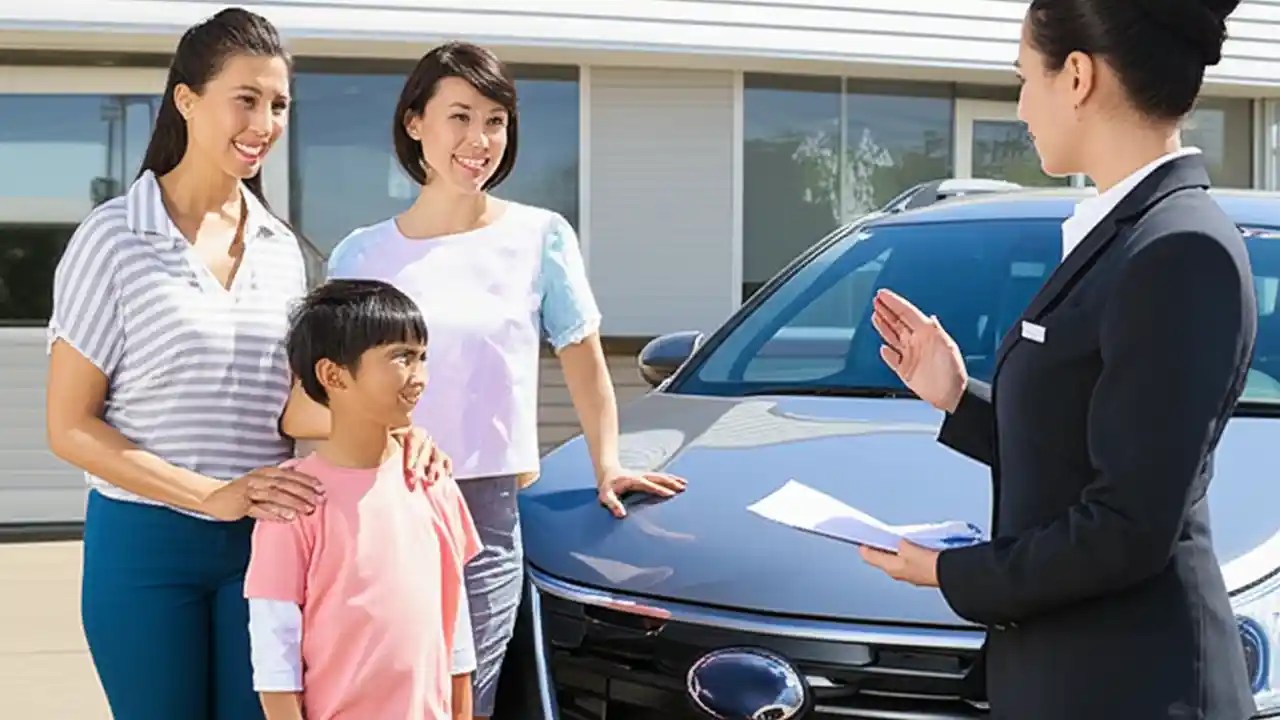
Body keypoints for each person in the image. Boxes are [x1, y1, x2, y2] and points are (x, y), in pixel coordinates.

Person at [858, 1, 1258, 718]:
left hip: (1134, 687)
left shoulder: (1179, 249)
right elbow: (1087, 446)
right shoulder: (1129, 230)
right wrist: (957, 396)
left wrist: (952, 573)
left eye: (1023, 78)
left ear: (1076, 76)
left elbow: (1129, 525)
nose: (1019, 105)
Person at [43, 8, 445, 718]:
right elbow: (70, 426)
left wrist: (399, 431)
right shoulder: (113, 238)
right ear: (187, 100)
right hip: (145, 547)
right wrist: (207, 494)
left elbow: (294, 404)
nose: (266, 121)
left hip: (267, 539)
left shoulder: (280, 248)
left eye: (280, 104)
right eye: (247, 99)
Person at [281, 41, 687, 718]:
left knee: (467, 701)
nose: (480, 139)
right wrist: (396, 435)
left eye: (495, 120)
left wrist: (608, 462)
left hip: (486, 513)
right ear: (415, 123)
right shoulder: (360, 253)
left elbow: (583, 362)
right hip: (377, 507)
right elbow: (305, 409)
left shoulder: (540, 237)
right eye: (460, 117)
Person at [244, 279, 481, 720]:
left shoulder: (434, 483)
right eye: (401, 357)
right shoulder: (293, 502)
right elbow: (274, 652)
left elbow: (457, 631)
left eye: (422, 356)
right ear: (333, 376)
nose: (420, 376)